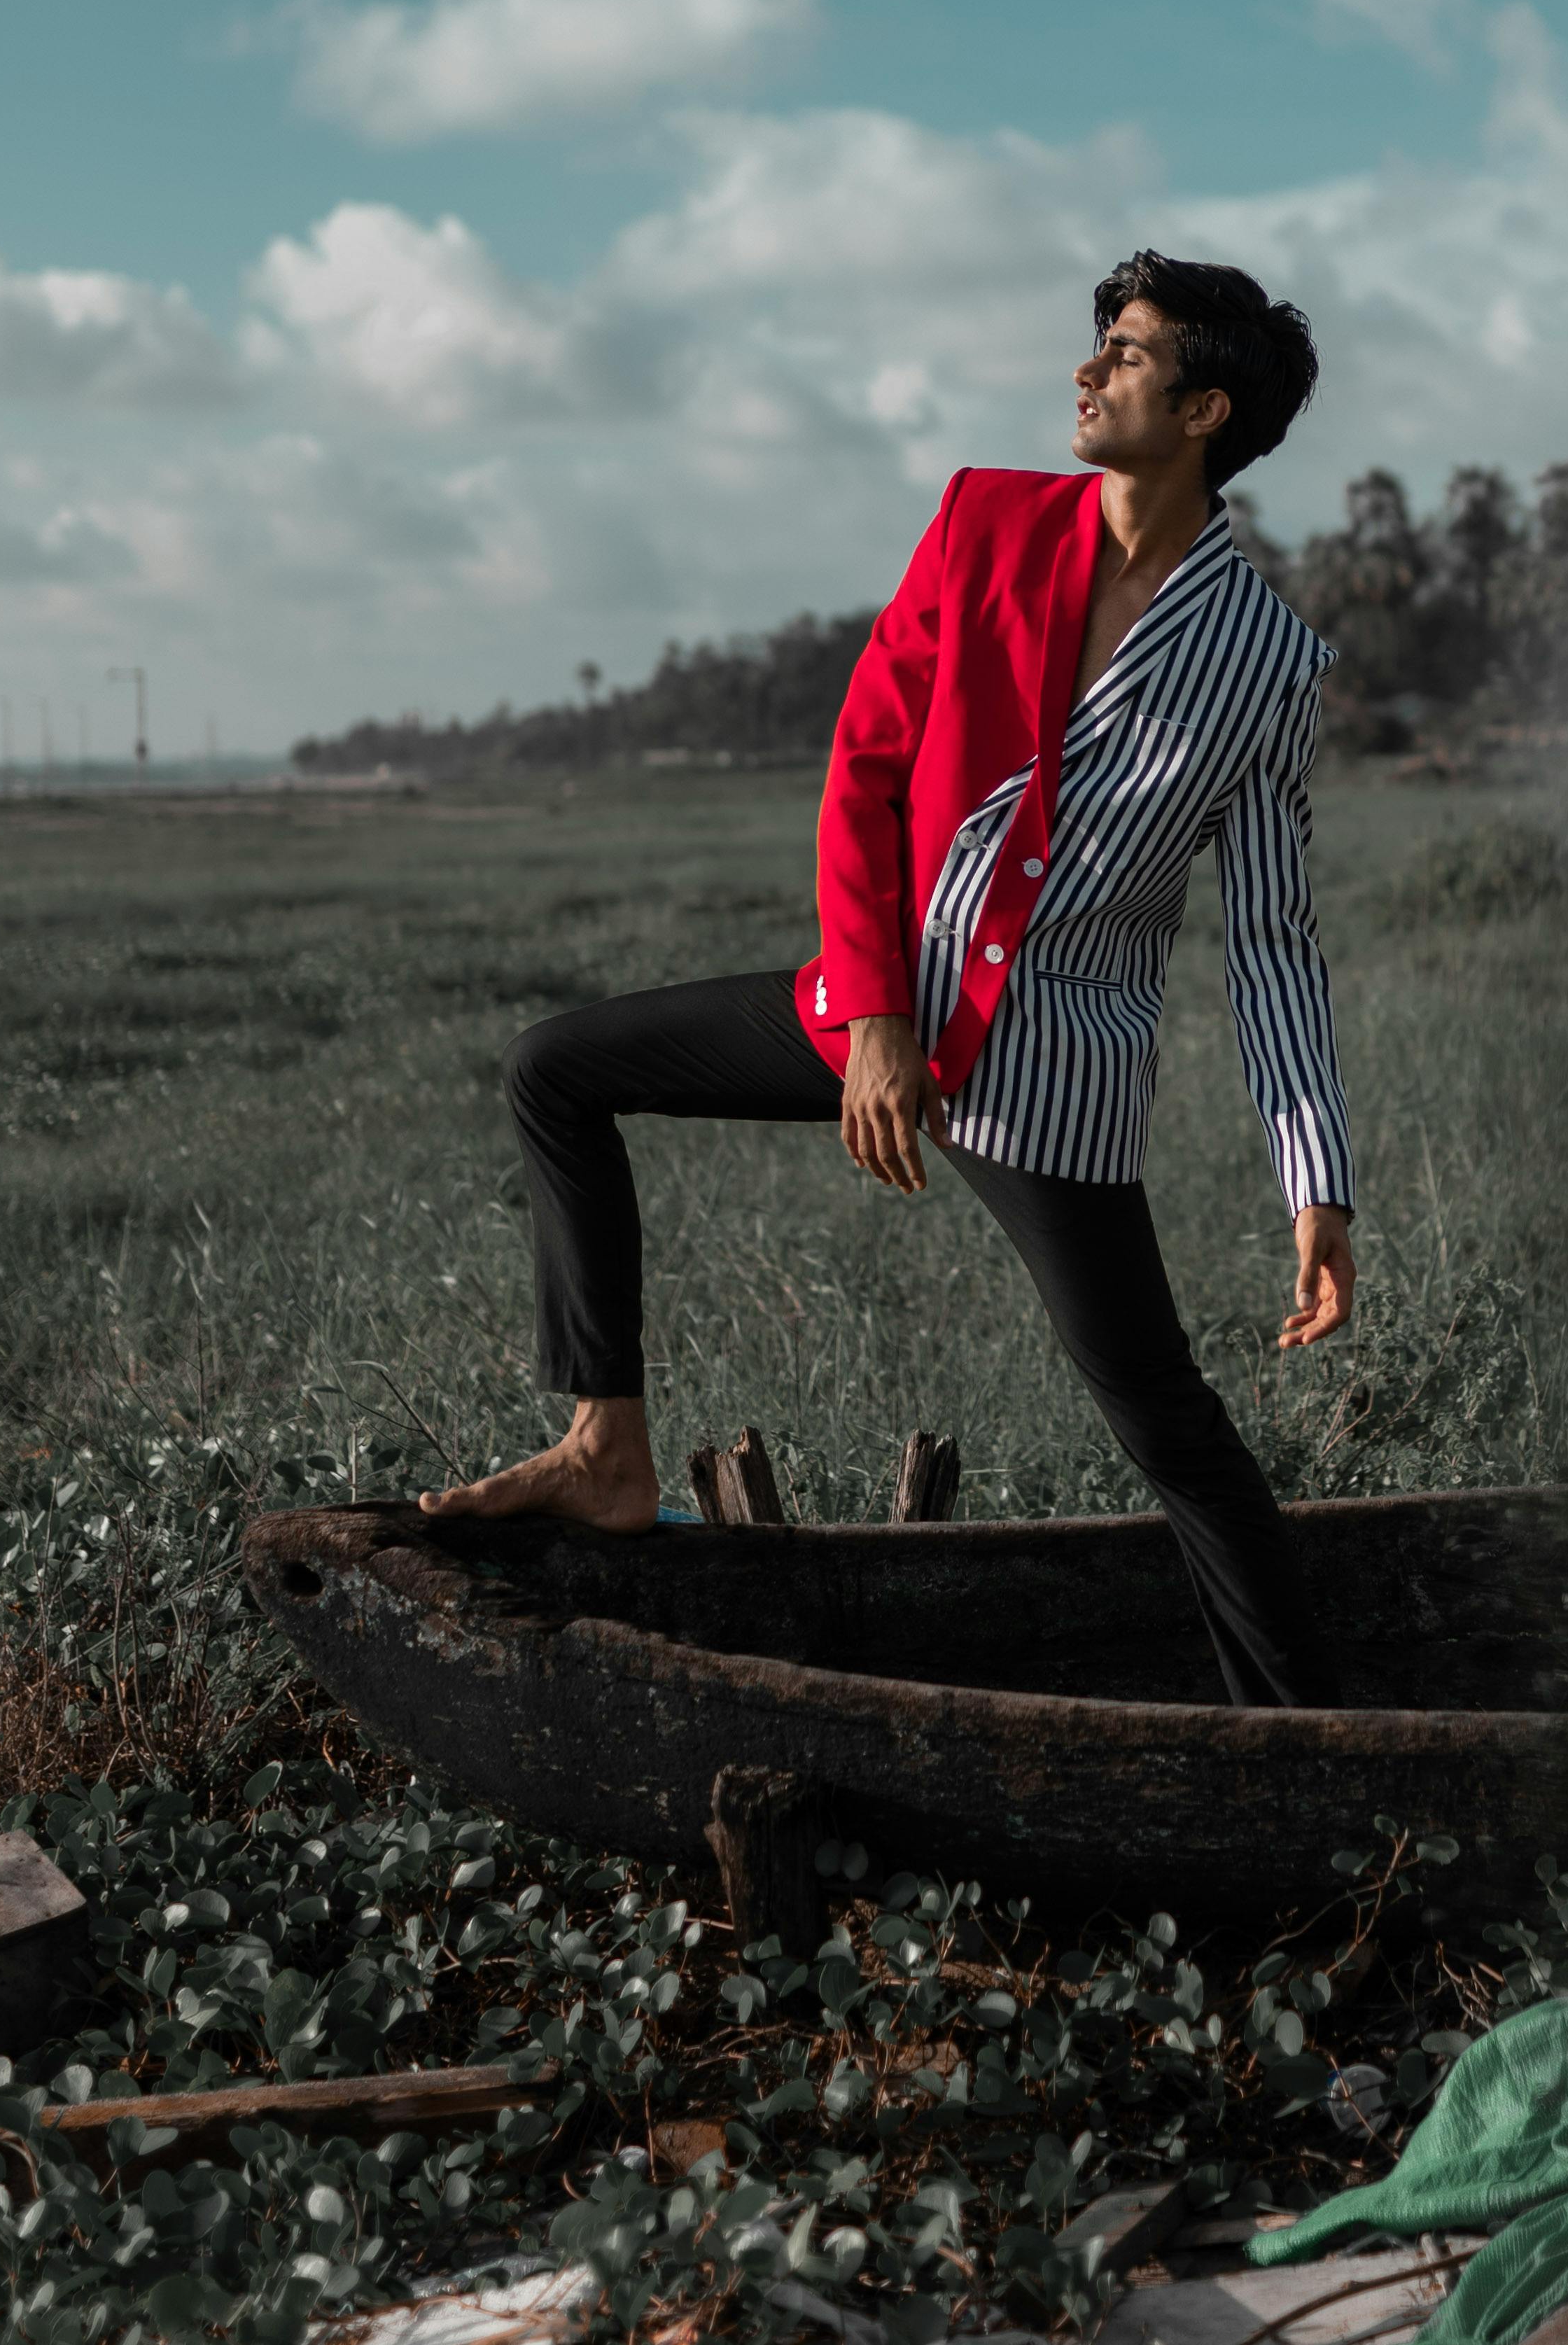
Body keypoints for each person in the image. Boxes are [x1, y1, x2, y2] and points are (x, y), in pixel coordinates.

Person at [425, 256, 1356, 1704]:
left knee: (1166, 1423)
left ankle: (1304, 1742)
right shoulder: (985, 520)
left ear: (1202, 409)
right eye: (1093, 345)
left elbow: (1272, 939)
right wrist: (876, 1020)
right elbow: (863, 764)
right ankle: (605, 1448)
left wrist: (1316, 1182)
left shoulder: (1264, 661)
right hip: (885, 1007)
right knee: (557, 1067)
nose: (1084, 371)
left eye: (1121, 352)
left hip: (1048, 1074)